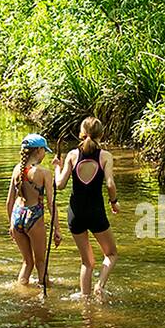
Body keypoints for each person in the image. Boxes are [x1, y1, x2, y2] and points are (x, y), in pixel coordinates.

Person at [53, 116, 119, 296]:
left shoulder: (73, 155)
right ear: (102, 134)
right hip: (95, 212)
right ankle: (100, 287)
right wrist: (114, 203)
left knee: (87, 262)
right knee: (111, 254)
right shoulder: (105, 156)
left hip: (75, 214)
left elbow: (59, 184)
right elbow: (110, 184)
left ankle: (85, 300)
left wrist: (57, 167)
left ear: (81, 134)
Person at [6, 133, 58, 286]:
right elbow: (51, 203)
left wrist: (11, 224)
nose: (44, 155)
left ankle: (21, 293)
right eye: (44, 151)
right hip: (33, 216)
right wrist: (57, 229)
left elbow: (9, 201)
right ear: (39, 150)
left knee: (27, 263)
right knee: (41, 263)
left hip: (17, 215)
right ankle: (45, 300)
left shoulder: (17, 170)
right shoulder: (44, 173)